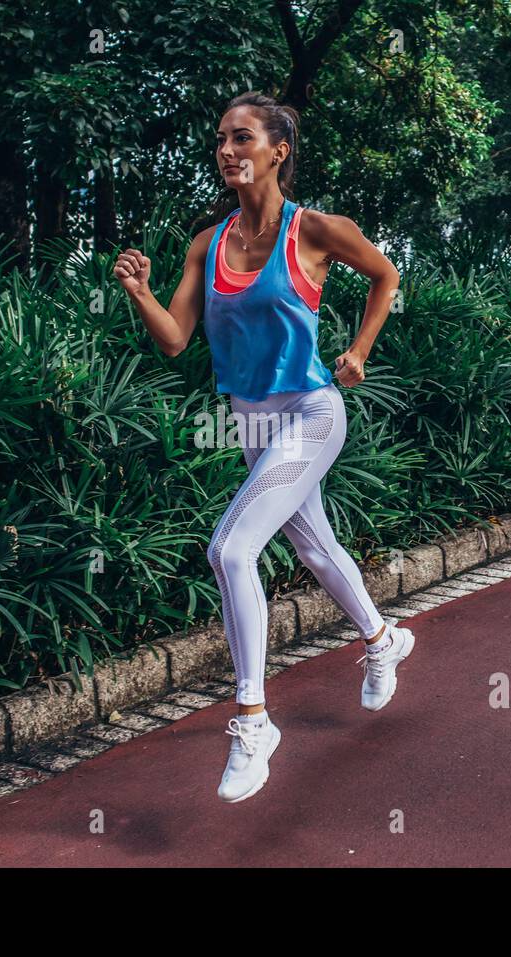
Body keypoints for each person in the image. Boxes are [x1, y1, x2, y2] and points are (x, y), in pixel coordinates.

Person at [112, 91, 415, 803]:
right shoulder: (206, 243)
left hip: (311, 412)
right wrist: (139, 291)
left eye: (242, 138)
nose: (227, 150)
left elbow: (385, 275)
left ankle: (253, 720)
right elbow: (177, 338)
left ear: (277, 151)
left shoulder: (315, 230)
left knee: (230, 549)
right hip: (253, 425)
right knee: (312, 547)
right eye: (220, 139)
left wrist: (361, 348)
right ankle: (380, 639)